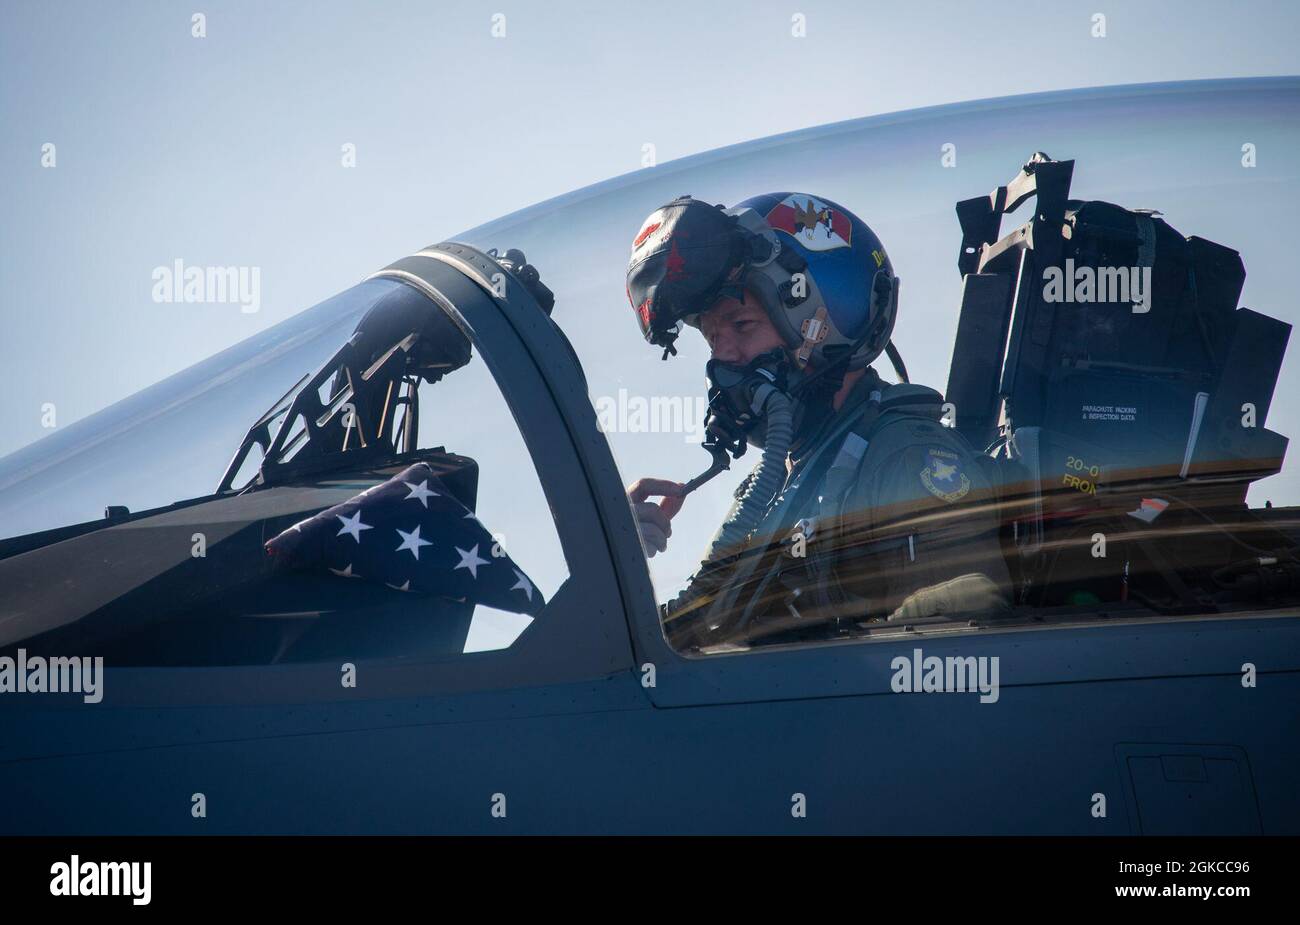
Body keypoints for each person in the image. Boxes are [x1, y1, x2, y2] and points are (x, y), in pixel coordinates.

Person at [624, 193, 1011, 650]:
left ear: (820, 324)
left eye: (742, 326)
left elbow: (972, 621)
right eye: (712, 339)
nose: (723, 357)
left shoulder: (904, 456)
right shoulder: (776, 485)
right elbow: (701, 634)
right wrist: (621, 562)